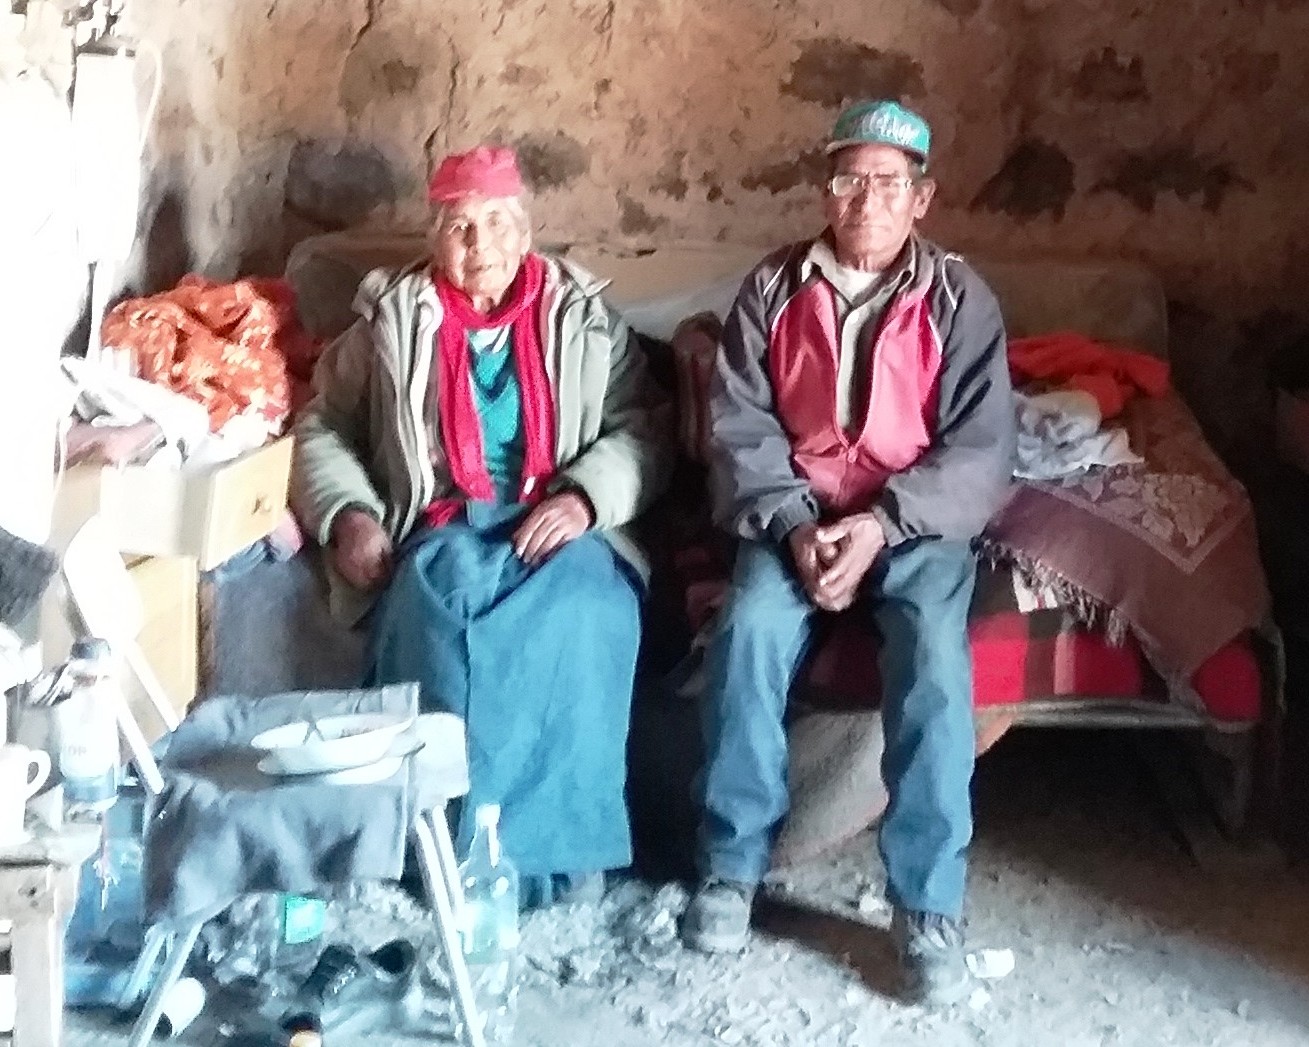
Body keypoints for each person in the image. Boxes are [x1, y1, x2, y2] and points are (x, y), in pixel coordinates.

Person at [680, 100, 1017, 1005]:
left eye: (887, 183)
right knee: (747, 631)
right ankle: (728, 868)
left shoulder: (957, 297)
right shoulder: (773, 287)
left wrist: (880, 525)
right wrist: (794, 526)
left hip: (909, 523)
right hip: (796, 518)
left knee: (936, 662)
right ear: (826, 192)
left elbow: (980, 448)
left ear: (921, 197)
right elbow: (740, 423)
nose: (865, 199)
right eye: (848, 180)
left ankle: (927, 905)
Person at [290, 145, 672, 907]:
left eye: (496, 223)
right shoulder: (391, 320)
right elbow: (321, 425)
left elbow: (645, 426)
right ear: (434, 238)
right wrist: (349, 513)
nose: (480, 246)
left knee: (588, 612)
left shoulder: (583, 315)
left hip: (559, 521)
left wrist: (585, 499)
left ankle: (558, 858)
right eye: (459, 228)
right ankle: (443, 851)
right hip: (441, 518)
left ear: (526, 231)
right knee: (440, 614)